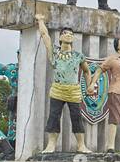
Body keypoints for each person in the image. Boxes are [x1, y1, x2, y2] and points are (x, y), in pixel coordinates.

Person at [36, 16, 97, 154]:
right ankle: (51, 145)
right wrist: (40, 21)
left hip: (74, 90)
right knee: (54, 116)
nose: (69, 36)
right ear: (60, 37)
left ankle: (81, 145)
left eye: (71, 34)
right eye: (65, 33)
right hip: (57, 89)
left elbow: (87, 71)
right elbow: (45, 35)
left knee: (76, 117)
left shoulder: (78, 55)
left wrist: (90, 85)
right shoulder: (55, 52)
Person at [88, 37, 120, 152]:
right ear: (117, 44)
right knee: (114, 119)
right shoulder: (112, 59)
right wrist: (92, 84)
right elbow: (99, 70)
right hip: (116, 90)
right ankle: (110, 146)